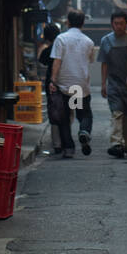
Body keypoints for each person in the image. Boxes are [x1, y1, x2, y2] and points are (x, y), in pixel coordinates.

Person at [48, 10, 95, 158]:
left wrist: (53, 80)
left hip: (64, 87)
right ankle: (84, 131)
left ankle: (69, 148)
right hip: (80, 86)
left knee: (64, 118)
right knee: (84, 114)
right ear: (83, 23)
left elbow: (57, 61)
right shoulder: (89, 41)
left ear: (68, 22)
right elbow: (90, 60)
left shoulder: (61, 39)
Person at [99, 10, 127, 158]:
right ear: (112, 24)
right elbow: (104, 64)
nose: (119, 26)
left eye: (121, 23)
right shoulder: (106, 41)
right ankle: (116, 144)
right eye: (116, 23)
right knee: (116, 112)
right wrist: (103, 84)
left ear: (126, 23)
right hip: (114, 83)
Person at [37, 23, 61, 153]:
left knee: (54, 112)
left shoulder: (48, 50)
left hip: (51, 83)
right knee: (68, 110)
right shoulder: (63, 46)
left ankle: (57, 143)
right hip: (65, 82)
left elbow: (41, 60)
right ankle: (66, 139)